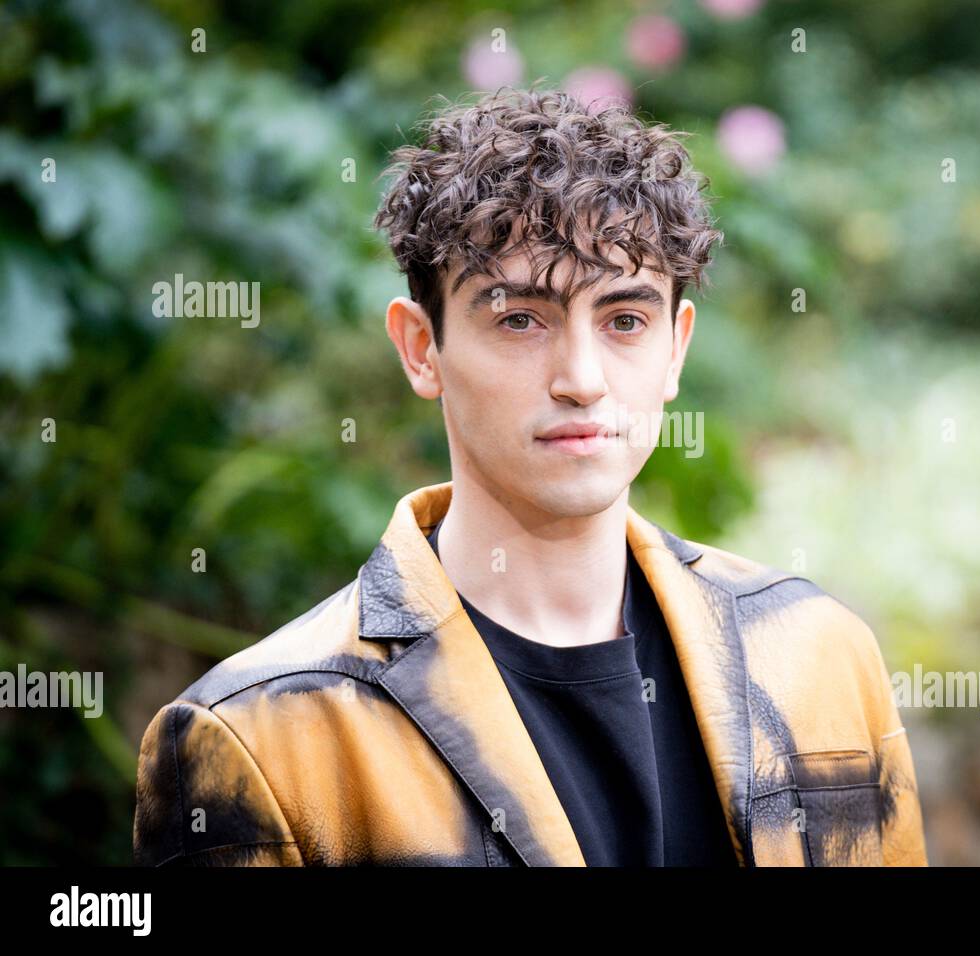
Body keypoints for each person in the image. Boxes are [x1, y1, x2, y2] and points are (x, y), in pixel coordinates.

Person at [132, 85, 927, 867]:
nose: (581, 377)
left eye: (624, 320)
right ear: (420, 348)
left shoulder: (821, 654)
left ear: (675, 348)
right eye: (519, 318)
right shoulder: (259, 736)